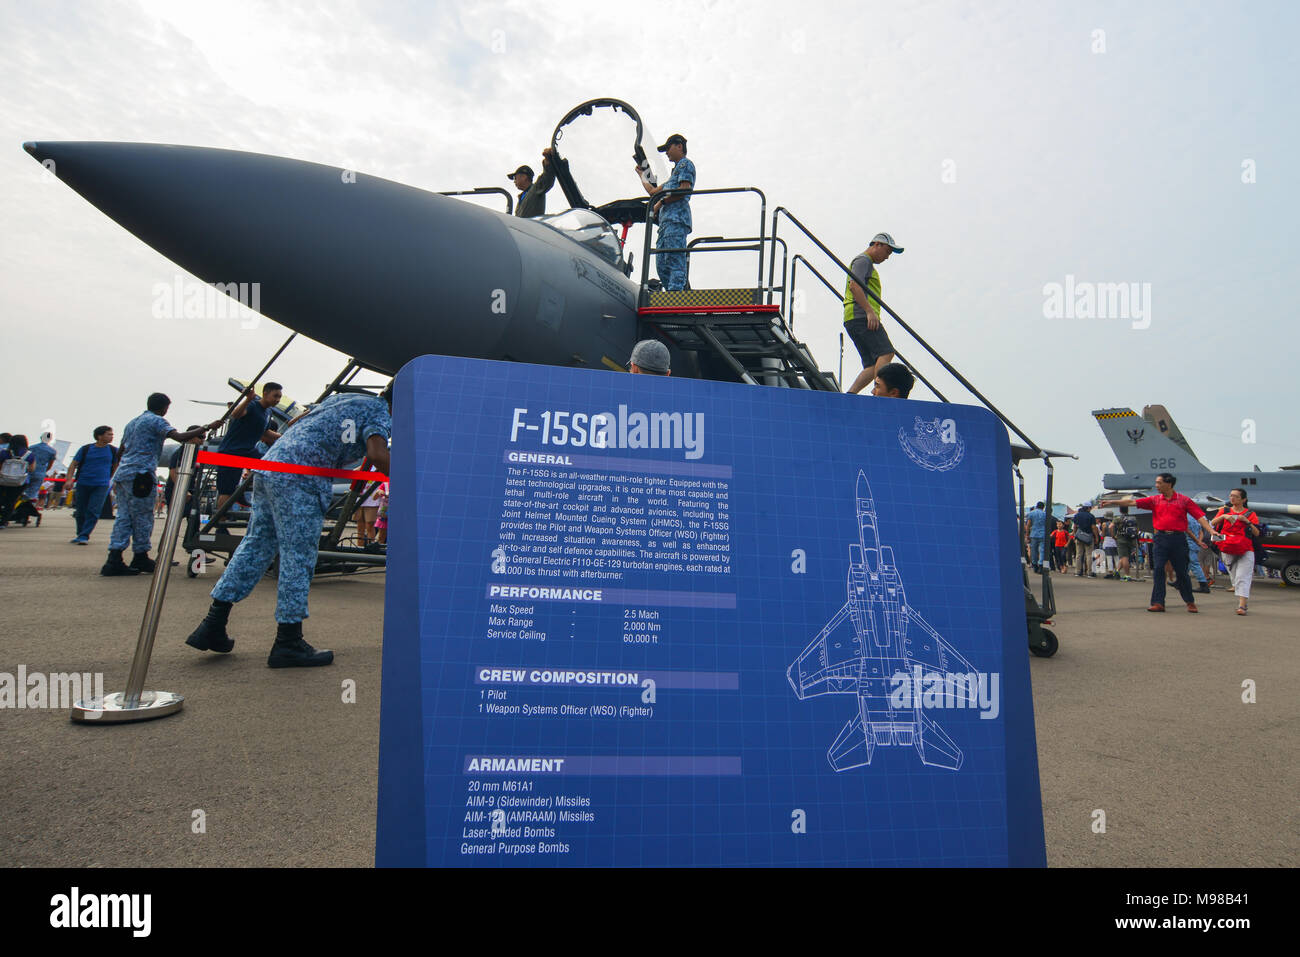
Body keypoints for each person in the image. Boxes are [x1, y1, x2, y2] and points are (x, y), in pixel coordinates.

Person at [185, 388, 392, 667]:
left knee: (255, 545)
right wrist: (418, 482)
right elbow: (377, 455)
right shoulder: (380, 412)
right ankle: (288, 641)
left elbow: (297, 421)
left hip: (271, 467)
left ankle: (212, 623)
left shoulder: (344, 399)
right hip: (300, 478)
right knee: (298, 555)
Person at [103, 394, 216, 577]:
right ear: (164, 407)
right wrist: (206, 427)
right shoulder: (157, 421)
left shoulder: (132, 422)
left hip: (124, 474)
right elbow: (178, 437)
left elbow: (122, 450)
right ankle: (140, 556)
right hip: (141, 475)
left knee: (124, 516)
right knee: (143, 517)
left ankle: (114, 557)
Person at [1109, 474, 1215, 613]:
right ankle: (1158, 603)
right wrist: (1112, 502)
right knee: (1158, 570)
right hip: (1160, 538)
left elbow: (1200, 517)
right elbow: (1132, 503)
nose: (1156, 485)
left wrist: (1211, 531)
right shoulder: (1155, 500)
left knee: (1182, 572)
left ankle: (1190, 601)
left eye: (1159, 483)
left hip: (1178, 539)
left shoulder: (1184, 500)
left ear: (1169, 484)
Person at [842, 233, 904, 395]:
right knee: (886, 352)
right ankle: (880, 393)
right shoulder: (863, 261)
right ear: (877, 244)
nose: (887, 257)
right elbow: (854, 285)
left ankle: (850, 396)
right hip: (861, 316)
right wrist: (870, 312)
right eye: (888, 251)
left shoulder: (865, 263)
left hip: (853, 318)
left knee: (871, 365)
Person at [215, 383, 283, 516]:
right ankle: (219, 523)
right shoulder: (253, 405)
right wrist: (247, 399)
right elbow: (236, 414)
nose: (277, 400)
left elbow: (265, 433)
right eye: (275, 396)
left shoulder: (268, 412)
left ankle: (241, 490)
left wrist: (285, 437)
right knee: (226, 491)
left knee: (270, 470)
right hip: (232, 452)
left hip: (248, 452)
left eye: (279, 397)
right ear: (265, 394)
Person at [639, 134, 695, 291]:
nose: (666, 152)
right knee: (662, 264)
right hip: (665, 225)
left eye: (668, 148)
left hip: (676, 221)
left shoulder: (685, 165)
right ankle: (672, 293)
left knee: (674, 261)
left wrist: (661, 203)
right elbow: (653, 191)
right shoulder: (673, 175)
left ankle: (675, 298)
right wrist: (642, 175)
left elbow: (684, 190)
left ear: (679, 146)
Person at [1211, 488, 1260, 615]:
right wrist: (1223, 516)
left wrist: (1246, 521)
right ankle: (1242, 600)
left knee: (1243, 576)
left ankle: (1242, 605)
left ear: (1243, 499)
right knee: (1234, 576)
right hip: (1227, 547)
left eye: (1236, 496)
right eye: (1231, 496)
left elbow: (1257, 533)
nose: (1232, 498)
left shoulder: (1250, 514)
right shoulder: (1224, 510)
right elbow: (1212, 523)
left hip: (1245, 548)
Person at [65, 427, 117, 544]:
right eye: (109, 434)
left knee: (94, 510)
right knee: (80, 510)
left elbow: (116, 467)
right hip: (83, 483)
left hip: (101, 485)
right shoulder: (86, 449)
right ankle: (80, 533)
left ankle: (84, 535)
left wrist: (111, 480)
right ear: (99, 436)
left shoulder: (113, 451)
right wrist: (69, 480)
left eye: (112, 434)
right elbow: (73, 464)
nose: (112, 436)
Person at [510, 148, 558, 219]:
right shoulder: (522, 197)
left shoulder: (536, 189)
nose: (514, 181)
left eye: (515, 178)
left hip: (532, 228)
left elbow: (547, 178)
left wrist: (548, 162)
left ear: (524, 177)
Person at [0, 434, 32, 527]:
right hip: (20, 482)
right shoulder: (29, 454)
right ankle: (4, 522)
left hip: (3, 480)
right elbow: (32, 469)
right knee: (11, 501)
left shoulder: (4, 453)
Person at [1112, 505, 1141, 581]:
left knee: (1124, 558)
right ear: (1128, 510)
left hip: (1121, 539)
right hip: (1131, 539)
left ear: (1120, 510)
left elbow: (1110, 526)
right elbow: (1137, 529)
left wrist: (1114, 536)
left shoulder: (1118, 518)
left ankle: (1127, 575)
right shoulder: (1133, 518)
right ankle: (1117, 571)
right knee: (1126, 557)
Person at [1071, 503, 1098, 577]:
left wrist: (1074, 535)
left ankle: (1078, 571)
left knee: (1078, 555)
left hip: (1079, 537)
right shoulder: (1091, 516)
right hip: (1088, 537)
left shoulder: (1077, 515)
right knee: (1089, 555)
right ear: (1088, 508)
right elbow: (1093, 527)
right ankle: (1090, 572)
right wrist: (1096, 537)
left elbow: (1075, 527)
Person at [1026, 502, 1048, 573]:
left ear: (1036, 506)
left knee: (1034, 550)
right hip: (1043, 534)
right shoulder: (1045, 514)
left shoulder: (1031, 513)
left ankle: (1034, 564)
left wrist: (1027, 534)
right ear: (1043, 507)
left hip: (1034, 534)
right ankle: (1041, 564)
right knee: (1042, 550)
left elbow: (1028, 525)